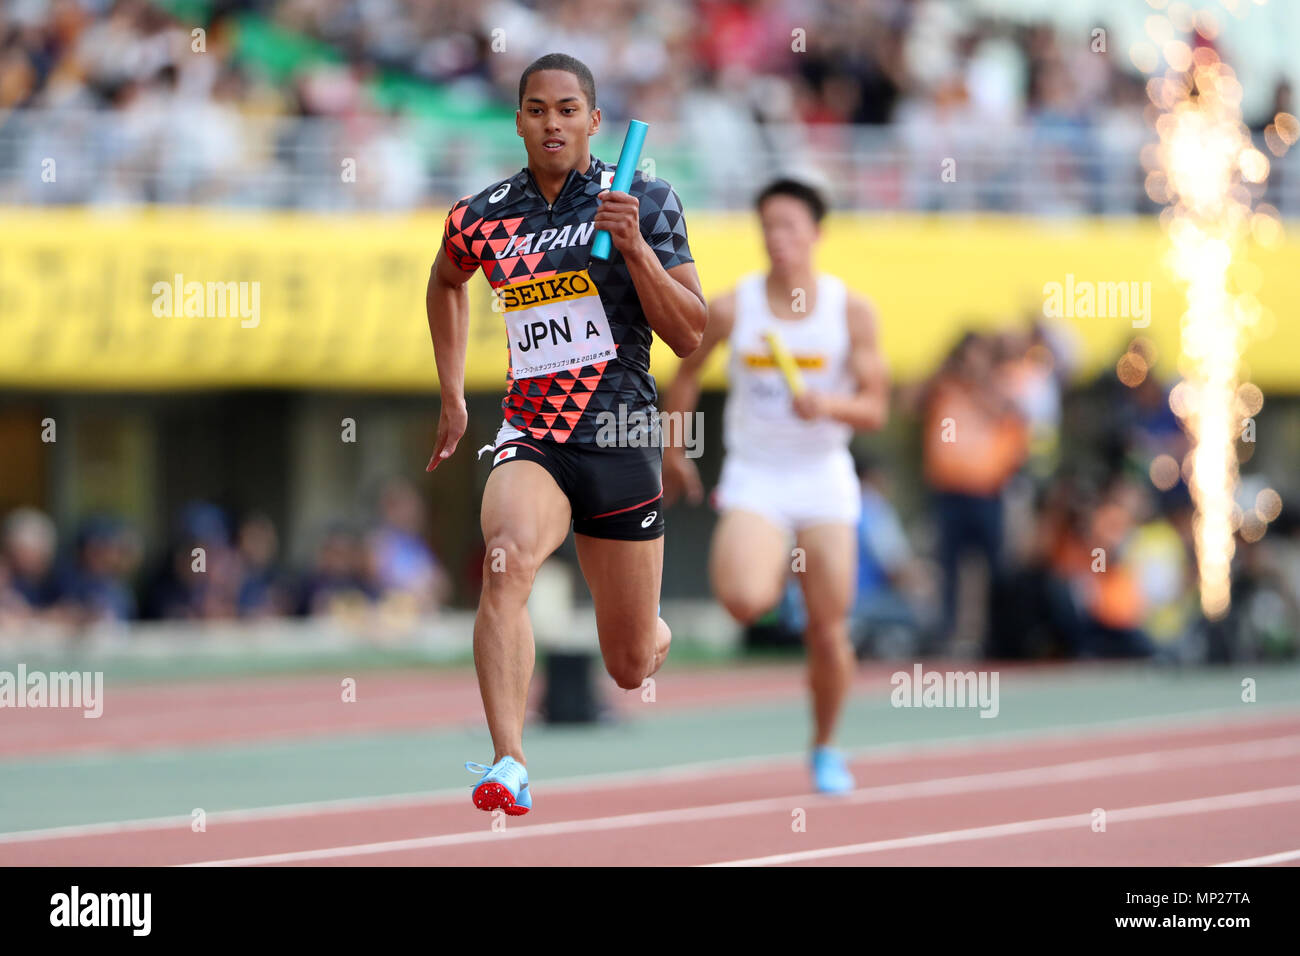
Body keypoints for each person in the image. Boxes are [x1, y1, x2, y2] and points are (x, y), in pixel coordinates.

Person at [426, 53, 706, 815]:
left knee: (628, 667)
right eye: (537, 109)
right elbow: (446, 279)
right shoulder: (482, 215)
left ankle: (651, 630)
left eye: (567, 109)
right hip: (534, 434)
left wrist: (638, 248)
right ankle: (509, 759)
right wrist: (453, 392)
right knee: (504, 562)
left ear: (594, 122)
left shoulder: (645, 197)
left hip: (619, 435)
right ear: (518, 120)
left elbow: (690, 335)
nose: (552, 123)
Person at [661, 177, 889, 793]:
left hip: (821, 478)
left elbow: (875, 409)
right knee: (741, 599)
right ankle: (779, 575)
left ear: (816, 232)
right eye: (768, 226)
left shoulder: (851, 310)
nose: (778, 238)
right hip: (756, 475)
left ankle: (825, 746)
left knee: (830, 628)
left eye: (790, 225)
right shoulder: (736, 306)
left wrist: (831, 406)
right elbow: (685, 372)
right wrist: (675, 447)